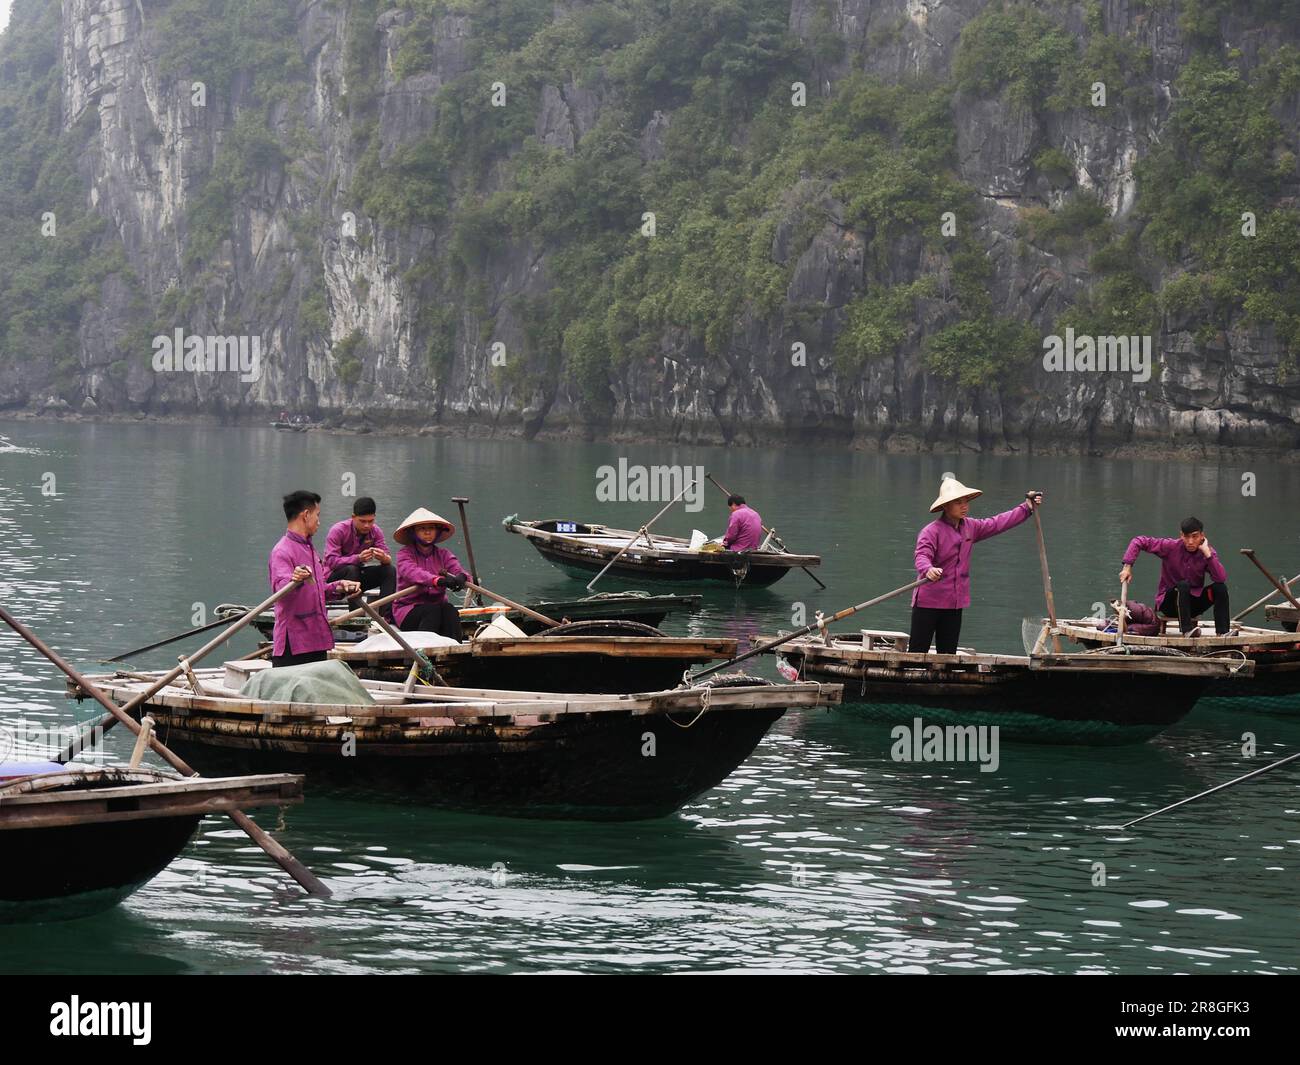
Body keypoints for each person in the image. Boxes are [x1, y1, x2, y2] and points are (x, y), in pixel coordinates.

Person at [909, 476, 1044, 654]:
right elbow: (922, 555)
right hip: (928, 602)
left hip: (954, 603)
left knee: (948, 655)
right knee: (918, 653)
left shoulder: (970, 527)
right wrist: (928, 569)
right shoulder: (931, 531)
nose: (964, 506)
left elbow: (998, 523)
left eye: (965, 502)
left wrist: (1026, 508)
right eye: (958, 502)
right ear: (946, 506)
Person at [267, 490, 360, 667]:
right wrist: (293, 580)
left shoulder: (309, 549)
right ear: (306, 515)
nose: (319, 521)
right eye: (317, 515)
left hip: (316, 639)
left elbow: (318, 590)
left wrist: (339, 587)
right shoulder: (282, 551)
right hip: (293, 644)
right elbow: (281, 589)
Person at [1119, 517, 1230, 635]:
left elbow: (1220, 578)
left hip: (1193, 605)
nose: (1190, 541)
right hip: (1169, 604)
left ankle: (1222, 633)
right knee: (1183, 585)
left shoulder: (1207, 552)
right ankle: (1187, 631)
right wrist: (1127, 567)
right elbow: (1138, 541)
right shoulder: (1170, 546)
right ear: (1181, 535)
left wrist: (1207, 554)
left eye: (1195, 536)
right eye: (1187, 537)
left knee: (1220, 588)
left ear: (1202, 536)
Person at [392, 507, 469, 640]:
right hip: (408, 610)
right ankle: (426, 653)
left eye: (431, 528)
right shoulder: (404, 554)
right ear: (413, 532)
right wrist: (436, 580)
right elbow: (412, 572)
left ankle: (456, 649)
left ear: (437, 531)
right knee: (431, 611)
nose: (427, 532)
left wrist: (462, 577)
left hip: (437, 608)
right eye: (422, 529)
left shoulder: (443, 554)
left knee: (450, 610)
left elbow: (458, 570)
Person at [324, 497, 396, 615]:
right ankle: (357, 617)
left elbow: (387, 556)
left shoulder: (375, 531)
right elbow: (331, 562)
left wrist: (384, 558)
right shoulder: (338, 530)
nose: (367, 525)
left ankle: (386, 617)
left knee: (389, 570)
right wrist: (358, 558)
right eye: (362, 521)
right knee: (353, 569)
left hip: (357, 576)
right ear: (353, 517)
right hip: (334, 579)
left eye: (371, 521)